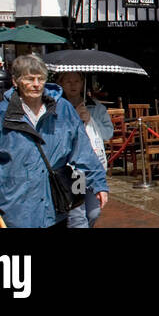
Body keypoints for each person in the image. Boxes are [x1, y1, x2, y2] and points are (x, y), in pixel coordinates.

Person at [0, 53, 109, 228]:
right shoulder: (1, 114)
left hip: (55, 205)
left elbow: (83, 151)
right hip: (17, 207)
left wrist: (98, 183)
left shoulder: (63, 110)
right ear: (15, 81)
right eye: (30, 79)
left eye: (40, 79)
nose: (36, 84)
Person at [57, 72, 112, 227]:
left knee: (94, 212)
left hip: (93, 165)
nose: (73, 85)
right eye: (68, 81)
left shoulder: (96, 107)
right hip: (74, 171)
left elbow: (108, 133)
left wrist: (90, 119)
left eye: (76, 81)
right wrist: (73, 118)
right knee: (78, 214)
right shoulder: (57, 107)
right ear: (61, 84)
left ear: (82, 83)